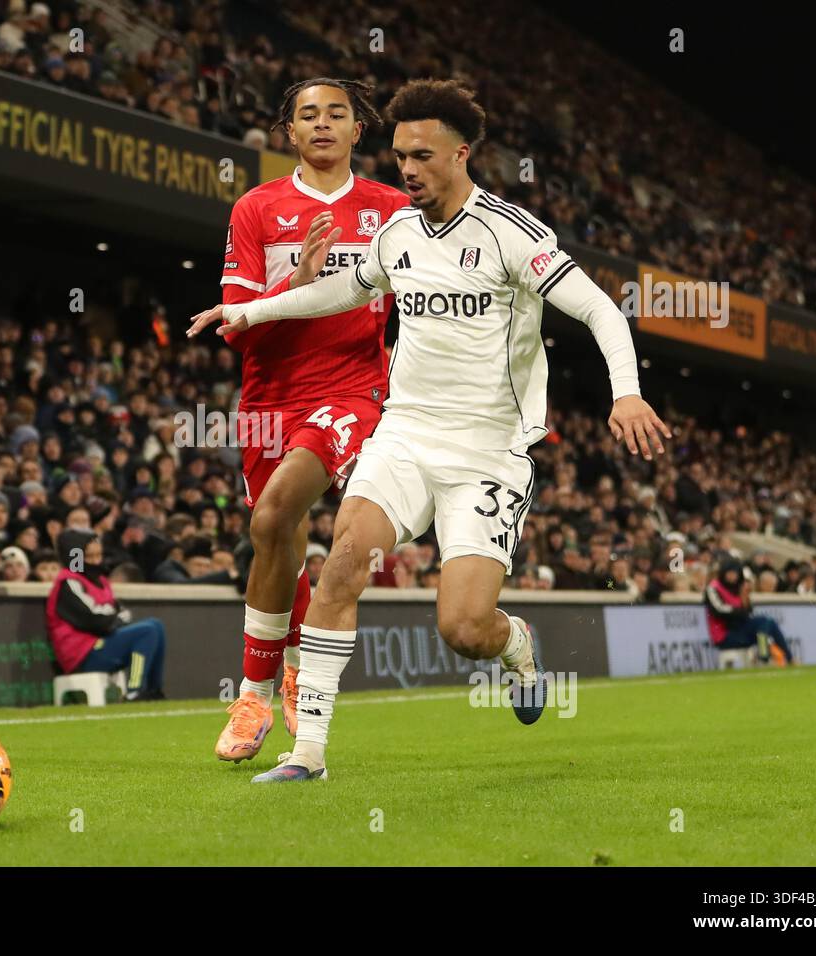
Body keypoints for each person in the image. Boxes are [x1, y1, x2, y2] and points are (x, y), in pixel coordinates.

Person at [190, 79, 670, 782]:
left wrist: (625, 394)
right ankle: (309, 756)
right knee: (342, 562)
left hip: (486, 452)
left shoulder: (514, 233)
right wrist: (253, 313)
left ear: (460, 153)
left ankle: (515, 643)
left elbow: (600, 310)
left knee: (463, 629)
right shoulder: (398, 233)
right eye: (400, 155)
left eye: (421, 155)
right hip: (405, 434)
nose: (407, 169)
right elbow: (345, 290)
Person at [211, 77, 409, 763]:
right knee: (278, 538)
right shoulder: (256, 208)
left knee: (271, 518)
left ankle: (252, 694)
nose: (322, 124)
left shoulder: (392, 209)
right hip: (268, 397)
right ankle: (288, 675)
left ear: (360, 129)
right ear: (288, 132)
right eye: (307, 115)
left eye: (337, 114)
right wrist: (294, 283)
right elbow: (236, 329)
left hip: (352, 390)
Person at [46, 529, 167, 701]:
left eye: (98, 555)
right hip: (82, 655)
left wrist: (114, 619)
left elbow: (120, 612)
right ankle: (134, 691)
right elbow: (95, 619)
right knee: (147, 631)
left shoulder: (101, 581)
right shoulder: (69, 583)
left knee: (156, 625)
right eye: (89, 556)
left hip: (101, 643)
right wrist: (114, 618)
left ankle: (154, 691)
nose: (96, 561)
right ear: (75, 556)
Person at [704, 559, 795, 665]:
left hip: (739, 629)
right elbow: (718, 610)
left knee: (767, 622)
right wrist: (739, 611)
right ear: (724, 572)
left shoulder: (738, 588)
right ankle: (766, 657)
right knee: (763, 625)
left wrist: (744, 599)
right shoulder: (713, 588)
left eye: (735, 574)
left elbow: (747, 612)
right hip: (724, 635)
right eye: (730, 573)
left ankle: (785, 657)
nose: (733, 576)